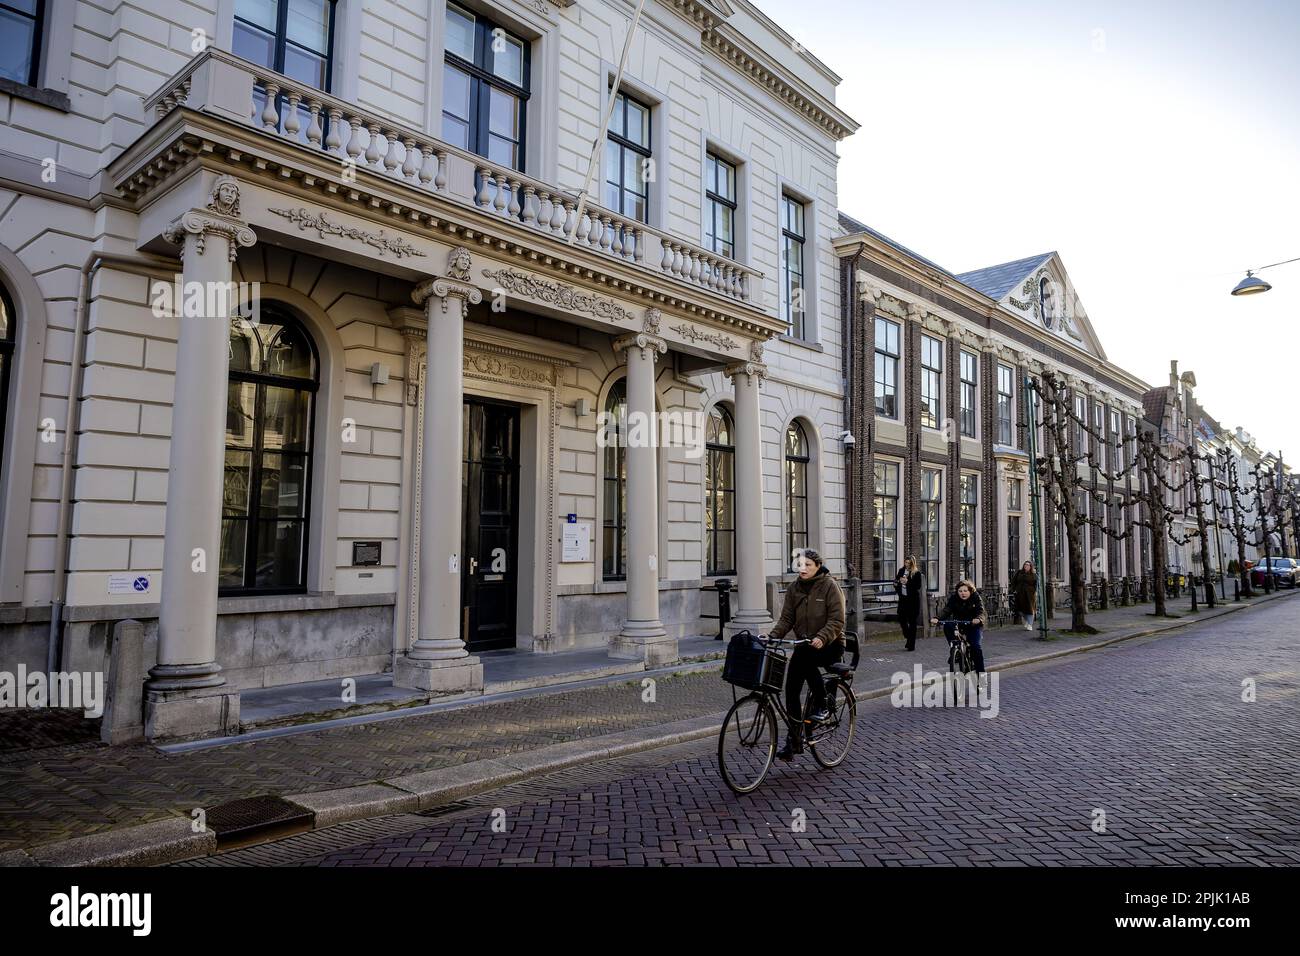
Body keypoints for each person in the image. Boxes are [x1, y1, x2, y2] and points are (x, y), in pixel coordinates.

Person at [768, 548, 845, 761]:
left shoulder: (829, 586)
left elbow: (838, 620)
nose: (803, 569)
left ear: (818, 567)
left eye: (808, 565)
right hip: (805, 644)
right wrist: (772, 636)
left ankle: (822, 703)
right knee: (791, 691)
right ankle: (794, 741)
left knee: (806, 661)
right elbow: (786, 619)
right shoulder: (794, 588)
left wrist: (823, 636)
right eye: (800, 565)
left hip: (830, 643)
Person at [930, 579, 986, 675]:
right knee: (948, 625)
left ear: (970, 591)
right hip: (959, 623)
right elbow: (947, 610)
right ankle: (955, 650)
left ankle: (981, 675)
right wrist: (937, 618)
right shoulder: (954, 598)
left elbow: (981, 611)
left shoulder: (976, 597)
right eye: (960, 591)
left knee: (976, 647)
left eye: (965, 591)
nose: (962, 593)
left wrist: (978, 619)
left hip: (973, 625)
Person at [894, 556, 923, 650]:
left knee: (912, 622)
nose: (906, 564)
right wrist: (896, 583)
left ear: (912, 564)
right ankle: (908, 636)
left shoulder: (916, 573)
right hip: (903, 600)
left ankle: (911, 645)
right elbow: (897, 581)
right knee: (901, 618)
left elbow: (918, 586)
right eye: (905, 562)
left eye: (909, 563)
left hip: (913, 601)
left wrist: (907, 582)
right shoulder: (901, 571)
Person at [1010, 560, 1038, 631]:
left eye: (1028, 565)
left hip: (1030, 595)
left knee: (1030, 609)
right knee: (1020, 609)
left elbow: (1036, 584)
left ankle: (1030, 624)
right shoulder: (1019, 572)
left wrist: (1034, 591)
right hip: (1020, 594)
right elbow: (1013, 581)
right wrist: (1014, 590)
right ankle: (1027, 621)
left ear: (1031, 566)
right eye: (1025, 564)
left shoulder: (1033, 575)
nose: (1026, 566)